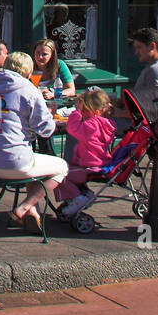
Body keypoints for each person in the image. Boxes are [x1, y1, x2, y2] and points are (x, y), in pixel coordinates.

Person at [0, 51, 69, 232]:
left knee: (31, 162)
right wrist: (51, 118)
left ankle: (33, 213)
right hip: (13, 163)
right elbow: (45, 130)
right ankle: (24, 207)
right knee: (62, 167)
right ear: (28, 72)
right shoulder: (28, 89)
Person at [54, 88, 116, 219]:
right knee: (63, 171)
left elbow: (73, 129)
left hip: (89, 166)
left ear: (96, 111)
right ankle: (83, 193)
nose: (82, 113)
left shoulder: (92, 124)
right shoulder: (106, 123)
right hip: (98, 163)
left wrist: (76, 112)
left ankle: (78, 198)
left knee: (58, 175)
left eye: (84, 110)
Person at [112, 27, 158, 126]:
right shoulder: (153, 68)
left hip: (139, 126)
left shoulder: (156, 70)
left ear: (152, 46)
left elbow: (153, 110)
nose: (136, 52)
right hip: (134, 121)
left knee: (93, 125)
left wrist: (120, 113)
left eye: (139, 47)